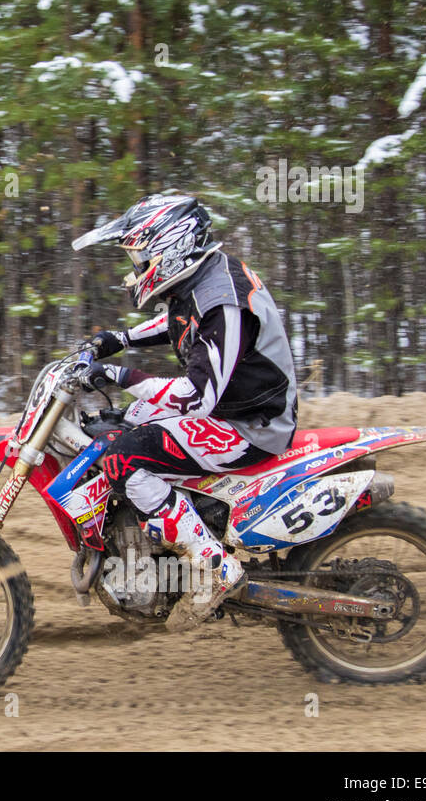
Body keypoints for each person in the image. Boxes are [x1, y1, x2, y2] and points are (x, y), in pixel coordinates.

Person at [71, 193, 298, 630]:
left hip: (250, 425)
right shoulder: (205, 279)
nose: (136, 266)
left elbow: (197, 397)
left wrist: (118, 375)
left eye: (140, 255)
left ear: (169, 245)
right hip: (236, 410)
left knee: (124, 456)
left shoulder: (222, 303)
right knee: (125, 421)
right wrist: (119, 338)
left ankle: (215, 568)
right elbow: (182, 323)